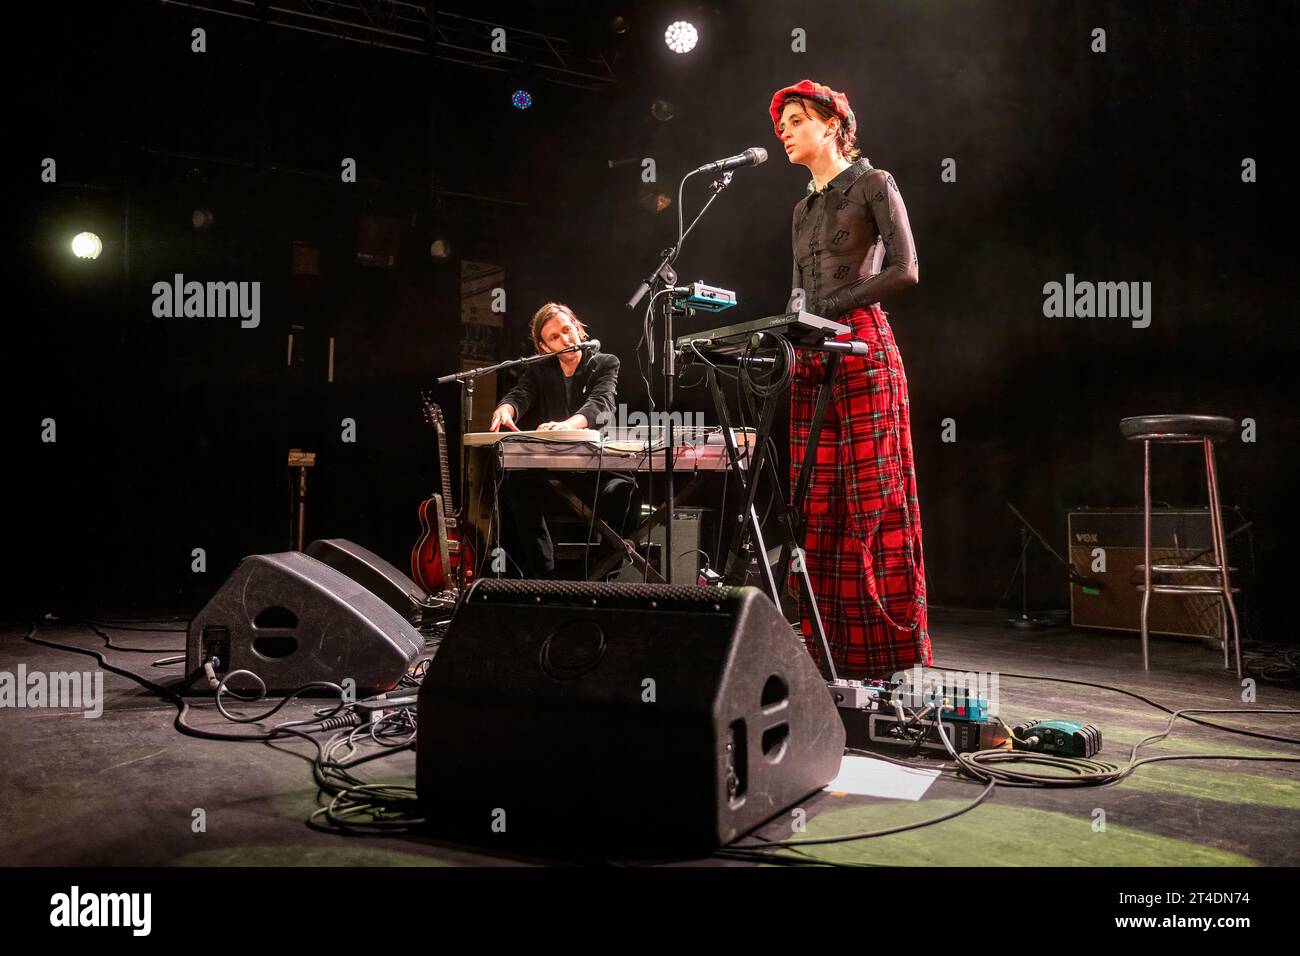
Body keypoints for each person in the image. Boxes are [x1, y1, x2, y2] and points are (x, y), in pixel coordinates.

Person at [770, 79, 933, 678]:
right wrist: (787, 330)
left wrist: (831, 310)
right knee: (817, 508)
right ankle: (828, 655)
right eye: (781, 122)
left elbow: (906, 270)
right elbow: (795, 288)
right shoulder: (802, 208)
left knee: (874, 500)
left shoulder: (872, 183)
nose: (783, 129)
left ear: (831, 123)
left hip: (861, 342)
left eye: (793, 119)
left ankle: (889, 656)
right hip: (813, 351)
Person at [489, 302, 639, 578]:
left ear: (578, 329)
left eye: (567, 330)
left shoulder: (605, 363)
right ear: (544, 347)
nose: (565, 339)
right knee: (514, 484)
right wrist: (505, 409)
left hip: (597, 468)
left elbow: (601, 404)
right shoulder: (539, 370)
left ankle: (600, 576)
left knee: (623, 491)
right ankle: (543, 578)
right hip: (556, 468)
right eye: (554, 338)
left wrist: (567, 425)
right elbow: (520, 395)